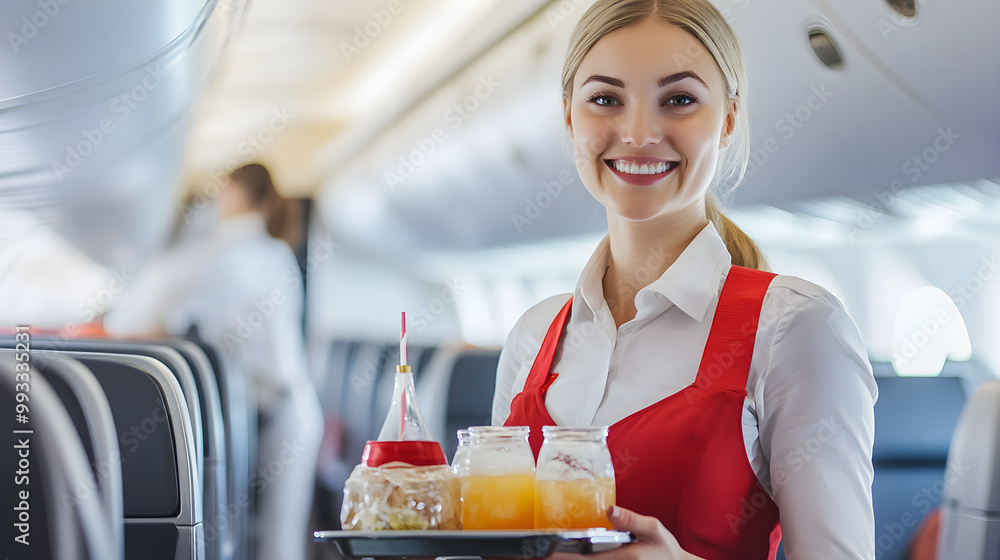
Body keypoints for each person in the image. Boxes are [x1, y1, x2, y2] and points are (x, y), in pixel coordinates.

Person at [491, 1, 878, 559]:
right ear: (570, 119)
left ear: (726, 121)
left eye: (678, 100)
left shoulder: (797, 329)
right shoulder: (532, 338)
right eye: (605, 99)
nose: (640, 132)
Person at [104, 163, 323, 560]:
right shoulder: (269, 251)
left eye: (225, 189)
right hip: (275, 408)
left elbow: (154, 322)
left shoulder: (229, 254)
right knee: (269, 541)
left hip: (283, 409)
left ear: (238, 193)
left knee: (271, 543)